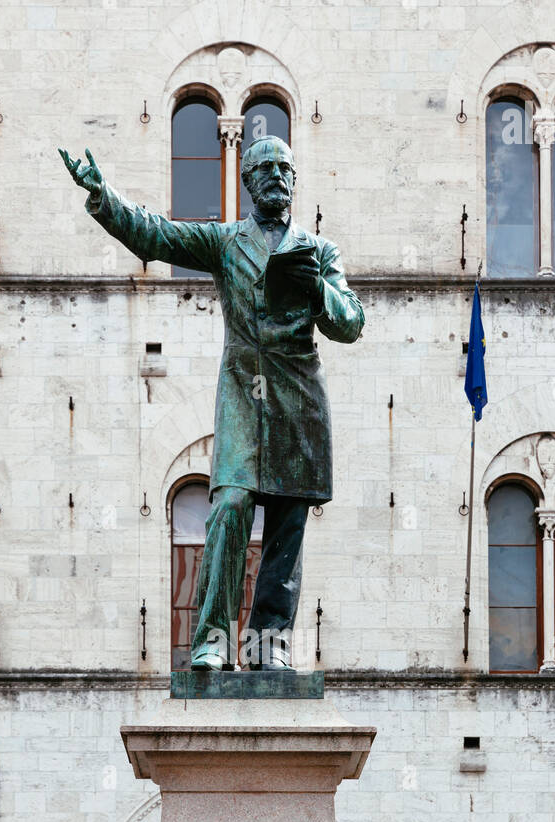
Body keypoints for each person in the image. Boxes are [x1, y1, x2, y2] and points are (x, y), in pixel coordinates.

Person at [59, 137, 364, 671]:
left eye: (284, 168)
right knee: (229, 507)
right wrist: (103, 197)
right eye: (264, 169)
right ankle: (213, 639)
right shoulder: (226, 243)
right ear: (246, 181)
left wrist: (316, 290)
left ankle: (268, 645)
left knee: (289, 524)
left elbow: (350, 323)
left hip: (299, 401)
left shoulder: (320, 251)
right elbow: (157, 235)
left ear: (295, 180)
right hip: (245, 393)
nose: (276, 176)